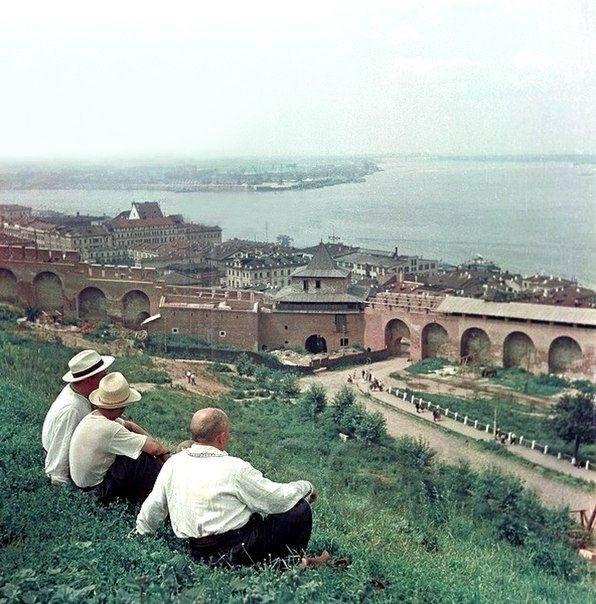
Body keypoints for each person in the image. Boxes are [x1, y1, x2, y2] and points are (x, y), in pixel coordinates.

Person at [136, 407, 317, 566]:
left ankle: (279, 561)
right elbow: (276, 499)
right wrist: (304, 486)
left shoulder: (173, 463)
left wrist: (140, 533)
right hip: (238, 548)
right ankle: (288, 563)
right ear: (221, 437)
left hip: (198, 551)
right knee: (299, 508)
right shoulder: (235, 468)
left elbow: (154, 505)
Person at [69, 372, 169, 504]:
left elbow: (130, 426)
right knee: (142, 459)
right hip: (95, 492)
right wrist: (165, 454)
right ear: (122, 407)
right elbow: (154, 449)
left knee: (132, 449)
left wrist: (154, 445)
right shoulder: (110, 429)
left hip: (83, 487)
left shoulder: (94, 417)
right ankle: (160, 499)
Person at [42, 349, 114, 485]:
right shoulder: (72, 410)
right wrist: (64, 488)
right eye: (103, 376)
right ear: (88, 381)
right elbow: (58, 460)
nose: (106, 379)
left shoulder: (77, 391)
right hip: (69, 463)